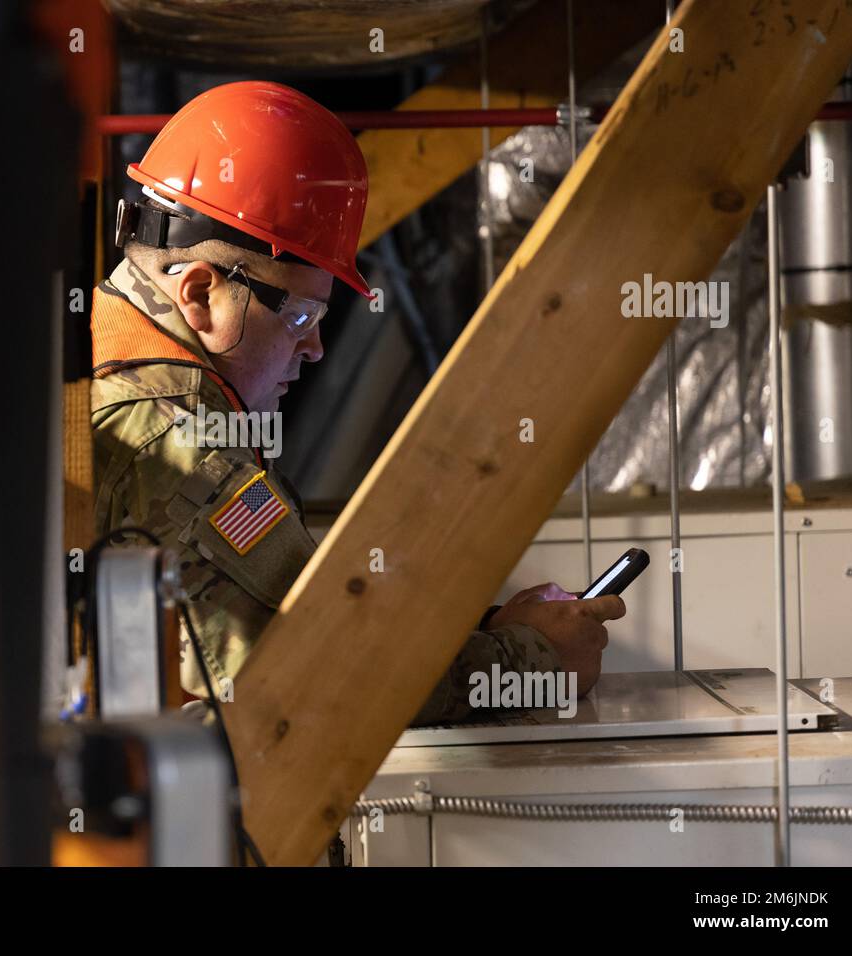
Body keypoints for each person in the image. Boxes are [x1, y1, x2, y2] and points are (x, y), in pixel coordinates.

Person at [90, 80, 624, 723]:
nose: (315, 347)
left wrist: (481, 634)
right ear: (201, 295)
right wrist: (534, 661)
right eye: (300, 317)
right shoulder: (176, 445)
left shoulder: (90, 365)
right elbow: (314, 681)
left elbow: (295, 620)